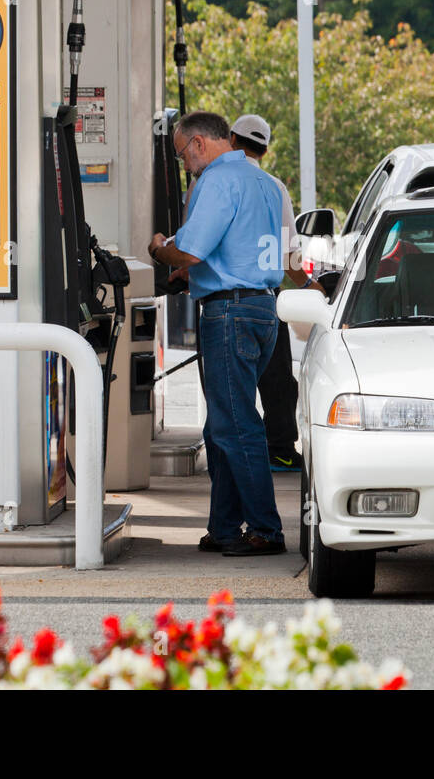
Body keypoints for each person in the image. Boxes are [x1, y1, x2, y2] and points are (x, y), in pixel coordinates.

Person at [148, 111, 287, 556]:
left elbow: (188, 250)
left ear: (200, 144)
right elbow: (244, 248)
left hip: (229, 312)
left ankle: (266, 529)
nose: (185, 165)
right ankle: (224, 526)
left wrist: (158, 248)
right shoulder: (266, 183)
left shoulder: (216, 181)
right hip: (264, 307)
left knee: (237, 425)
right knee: (223, 424)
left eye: (182, 155)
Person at [229, 114, 324, 473]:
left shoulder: (214, 183)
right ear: (265, 150)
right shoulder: (273, 187)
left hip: (222, 301)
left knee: (230, 386)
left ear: (232, 140)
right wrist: (310, 287)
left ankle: (237, 453)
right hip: (266, 300)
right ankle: (280, 449)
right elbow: (287, 254)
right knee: (278, 380)